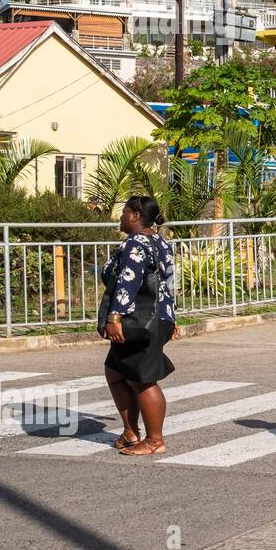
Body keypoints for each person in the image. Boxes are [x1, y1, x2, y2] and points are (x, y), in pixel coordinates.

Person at [99, 195, 179, 456]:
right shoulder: (162, 242)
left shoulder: (135, 243)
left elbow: (128, 281)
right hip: (158, 319)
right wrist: (170, 318)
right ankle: (131, 431)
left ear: (135, 215)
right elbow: (169, 284)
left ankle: (155, 440)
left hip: (138, 321)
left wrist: (115, 317)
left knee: (142, 379)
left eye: (124, 212)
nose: (121, 217)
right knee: (115, 371)